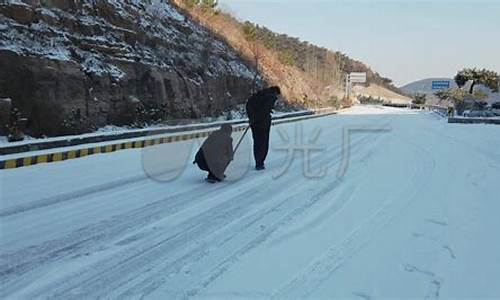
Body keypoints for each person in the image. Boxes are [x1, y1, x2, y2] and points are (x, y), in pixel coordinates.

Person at [246, 86, 281, 170]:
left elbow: (248, 105)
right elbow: (265, 110)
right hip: (263, 124)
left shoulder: (258, 95)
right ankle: (260, 163)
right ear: (276, 92)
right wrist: (258, 118)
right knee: (263, 144)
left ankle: (257, 161)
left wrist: (251, 117)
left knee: (256, 142)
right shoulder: (271, 97)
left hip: (254, 124)